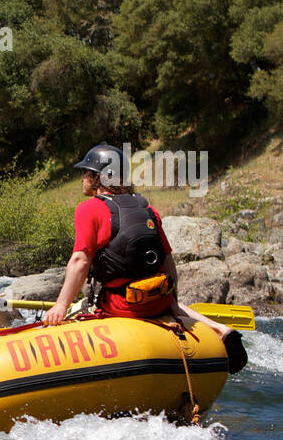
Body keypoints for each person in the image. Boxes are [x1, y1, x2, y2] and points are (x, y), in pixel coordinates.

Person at [44, 144, 233, 339]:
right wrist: (172, 302)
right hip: (158, 300)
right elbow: (168, 261)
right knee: (163, 300)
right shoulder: (147, 209)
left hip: (122, 305)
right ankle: (219, 329)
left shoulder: (89, 209)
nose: (82, 177)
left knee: (79, 309)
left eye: (86, 172)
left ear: (97, 178)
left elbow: (80, 261)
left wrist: (61, 306)